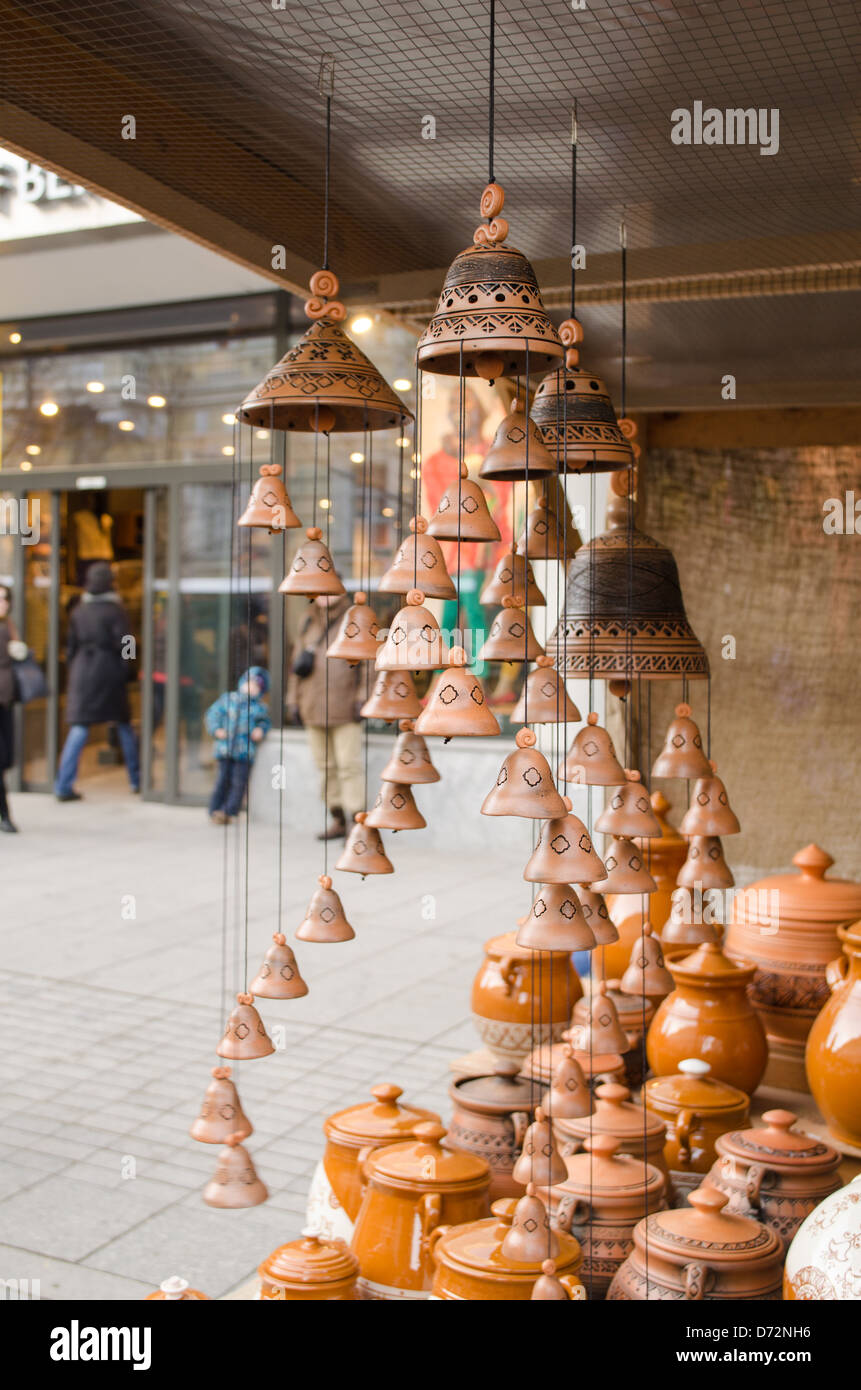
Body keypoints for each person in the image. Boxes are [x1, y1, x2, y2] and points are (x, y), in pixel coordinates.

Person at [55, 561, 139, 801]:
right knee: (123, 725)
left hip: (83, 672)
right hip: (109, 671)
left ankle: (63, 784)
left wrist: (76, 668)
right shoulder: (116, 610)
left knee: (79, 727)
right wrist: (128, 669)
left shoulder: (79, 610)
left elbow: (69, 647)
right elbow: (128, 643)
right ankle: (136, 779)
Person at [287, 593, 364, 839]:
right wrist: (292, 699)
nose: (323, 595)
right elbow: (296, 665)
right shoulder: (308, 620)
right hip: (312, 704)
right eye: (319, 590)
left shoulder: (355, 618)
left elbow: (368, 662)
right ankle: (338, 818)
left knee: (348, 766)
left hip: (345, 704)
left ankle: (358, 823)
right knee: (325, 766)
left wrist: (363, 697)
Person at [204, 666, 271, 824]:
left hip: (244, 752)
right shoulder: (228, 699)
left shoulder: (259, 707)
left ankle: (228, 812)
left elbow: (265, 722)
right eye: (249, 683)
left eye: (256, 686)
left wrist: (260, 730)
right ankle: (214, 809)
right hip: (225, 749)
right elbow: (212, 714)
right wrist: (216, 729)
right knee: (222, 780)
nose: (251, 688)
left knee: (238, 783)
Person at [0, 584, 26, 833]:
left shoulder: (9, 625)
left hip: (5, 700)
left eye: (5, 598)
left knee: (5, 758)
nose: (3, 603)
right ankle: (5, 815)